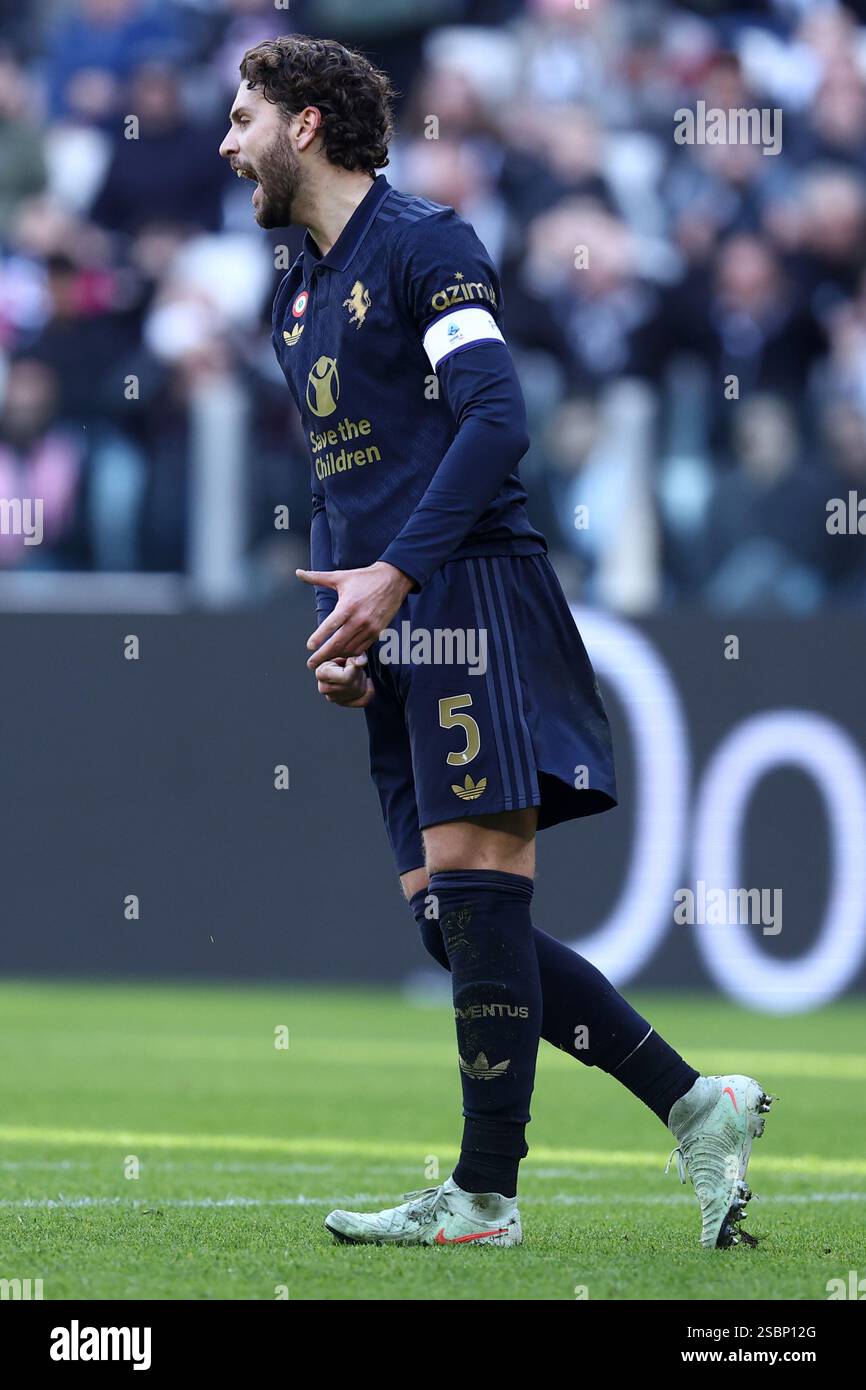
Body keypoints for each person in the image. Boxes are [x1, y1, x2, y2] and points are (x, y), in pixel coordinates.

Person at [219, 34, 773, 1250]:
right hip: (387, 622)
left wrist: (398, 574)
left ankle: (481, 1197)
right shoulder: (295, 293)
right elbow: (332, 475)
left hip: (468, 597)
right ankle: (697, 1106)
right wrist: (342, 621)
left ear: (305, 124)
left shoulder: (426, 242)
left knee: (477, 912)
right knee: (453, 925)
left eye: (243, 116)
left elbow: (496, 417)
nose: (225, 140)